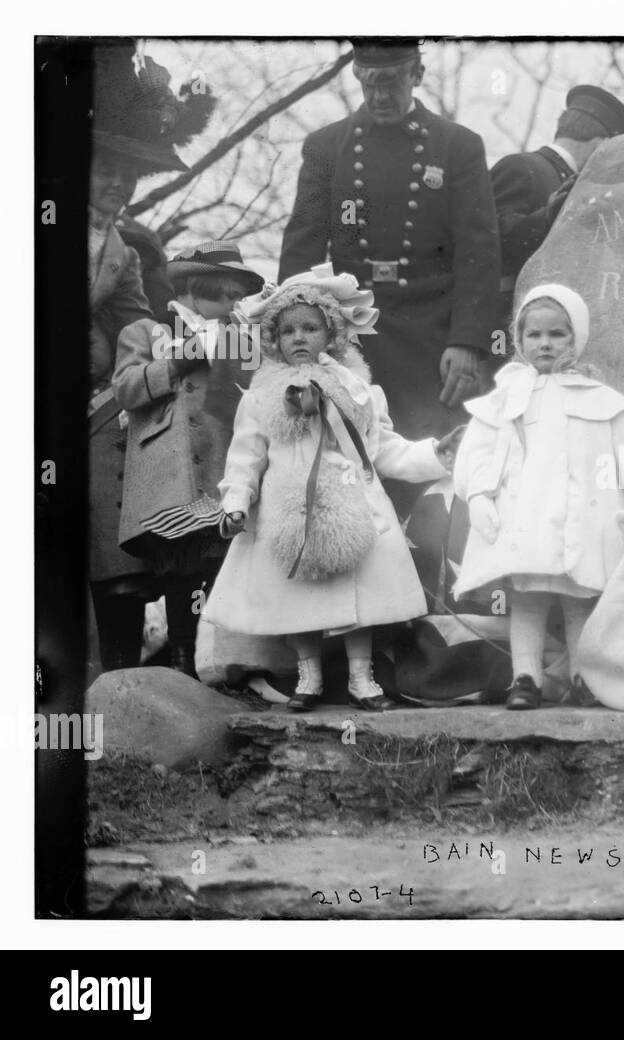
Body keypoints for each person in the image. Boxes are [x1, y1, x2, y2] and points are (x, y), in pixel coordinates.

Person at [203, 265, 449, 712]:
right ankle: (308, 675)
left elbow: (383, 449)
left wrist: (434, 455)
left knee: (360, 592)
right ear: (274, 338)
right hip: (288, 508)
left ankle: (362, 678)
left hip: (353, 500)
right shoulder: (259, 397)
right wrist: (236, 501)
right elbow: (245, 458)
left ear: (332, 334)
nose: (299, 338)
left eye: (311, 328)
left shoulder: (358, 390)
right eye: (289, 330)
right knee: (296, 593)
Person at [278, 39, 500, 473]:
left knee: (438, 460)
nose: (379, 96)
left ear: (416, 74)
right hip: (353, 339)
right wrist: (297, 337)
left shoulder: (457, 146)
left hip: (434, 338)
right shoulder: (326, 148)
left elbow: (478, 250)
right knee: (351, 463)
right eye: (369, 83)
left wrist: (468, 342)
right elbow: (302, 246)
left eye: (392, 83)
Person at [453, 284, 624, 710]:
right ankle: (524, 679)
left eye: (557, 334)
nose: (544, 343)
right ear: (520, 339)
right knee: (528, 599)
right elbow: (478, 451)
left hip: (581, 519)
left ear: (576, 339)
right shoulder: (506, 397)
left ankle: (585, 677)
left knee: (580, 599)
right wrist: (477, 495)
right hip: (525, 517)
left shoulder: (600, 398)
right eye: (534, 335)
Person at [89, 43, 216, 673]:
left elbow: (135, 320)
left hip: (89, 395)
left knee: (117, 512)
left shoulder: (124, 249)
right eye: (103, 170)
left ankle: (126, 675)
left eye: (126, 176)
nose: (116, 185)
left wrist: (169, 348)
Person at [114, 242, 265, 678]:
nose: (234, 304)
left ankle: (222, 659)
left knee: (223, 564)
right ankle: (181, 658)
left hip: (223, 464)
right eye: (227, 295)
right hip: (173, 471)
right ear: (197, 290)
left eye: (238, 297)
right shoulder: (147, 330)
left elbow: (258, 384)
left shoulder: (241, 335)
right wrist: (183, 358)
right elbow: (126, 387)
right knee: (183, 567)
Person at [490, 86, 624, 308]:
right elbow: (491, 242)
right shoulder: (522, 167)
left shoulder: (575, 180)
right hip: (512, 318)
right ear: (602, 146)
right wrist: (547, 218)